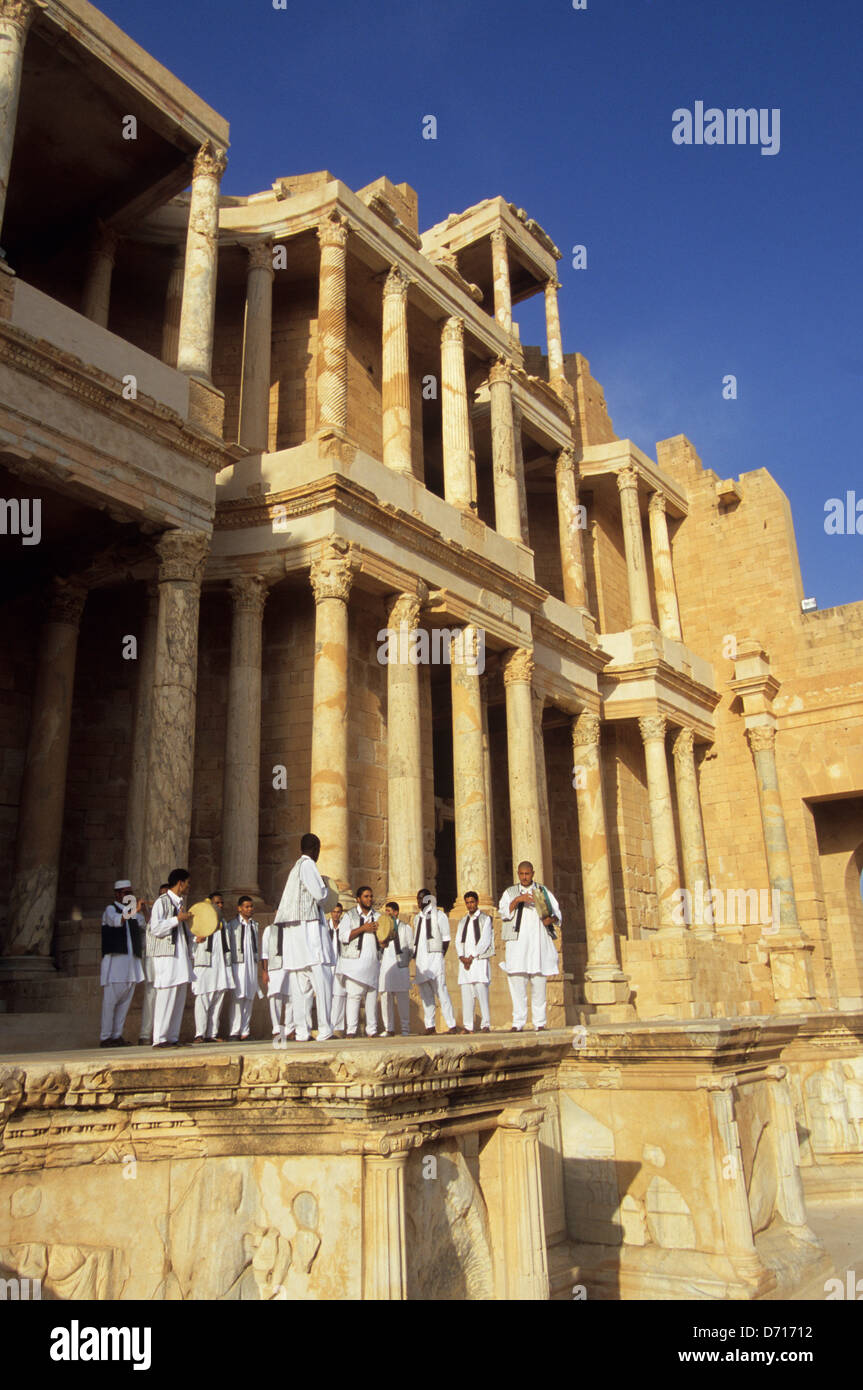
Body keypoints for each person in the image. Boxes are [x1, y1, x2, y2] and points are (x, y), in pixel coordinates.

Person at [272, 833, 334, 1042]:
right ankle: (325, 1029)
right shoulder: (308, 866)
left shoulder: (294, 869)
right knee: (322, 980)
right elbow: (319, 894)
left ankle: (302, 1031)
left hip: (295, 935)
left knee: (300, 987)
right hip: (308, 932)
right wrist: (327, 892)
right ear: (315, 848)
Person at [498, 861, 561, 1032]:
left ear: (532, 873)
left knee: (539, 983)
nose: (524, 877)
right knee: (517, 983)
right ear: (518, 874)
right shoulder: (510, 892)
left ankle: (539, 1022)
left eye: (527, 874)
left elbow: (556, 913)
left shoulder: (542, 891)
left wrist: (551, 919)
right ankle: (518, 1022)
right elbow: (503, 912)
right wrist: (518, 900)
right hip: (518, 944)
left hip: (538, 943)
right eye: (521, 874)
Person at [148, 868, 194, 1047]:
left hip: (180, 957)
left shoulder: (180, 904)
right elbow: (156, 928)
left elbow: (183, 931)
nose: (189, 887)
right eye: (187, 883)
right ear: (180, 883)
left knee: (178, 997)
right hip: (167, 957)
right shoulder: (162, 902)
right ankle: (159, 1038)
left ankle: (172, 1037)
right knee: (165, 997)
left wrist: (194, 936)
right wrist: (176, 919)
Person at [99, 878, 145, 1047]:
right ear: (117, 894)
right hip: (115, 966)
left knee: (124, 1003)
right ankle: (105, 1037)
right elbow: (116, 921)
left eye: (130, 893)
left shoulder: (133, 914)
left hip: (131, 965)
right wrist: (133, 910)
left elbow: (143, 924)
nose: (128, 896)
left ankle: (117, 1035)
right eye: (126, 893)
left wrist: (144, 909)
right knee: (110, 1004)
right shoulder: (110, 910)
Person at [336, 886, 382, 1037]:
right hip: (354, 964)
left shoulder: (378, 916)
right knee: (354, 996)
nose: (369, 899)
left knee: (371, 998)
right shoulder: (349, 916)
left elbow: (384, 939)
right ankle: (351, 1030)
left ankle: (372, 1030)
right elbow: (343, 937)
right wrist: (363, 928)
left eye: (371, 896)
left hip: (373, 962)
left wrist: (384, 940)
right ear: (358, 899)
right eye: (366, 896)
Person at [412, 889, 457, 1035]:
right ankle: (430, 1025)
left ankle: (451, 1024)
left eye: (422, 899)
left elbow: (446, 938)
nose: (419, 902)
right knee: (425, 995)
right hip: (421, 960)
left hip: (435, 958)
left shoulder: (440, 915)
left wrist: (440, 955)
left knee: (441, 991)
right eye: (418, 899)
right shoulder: (417, 918)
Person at [190, 891, 233, 1044]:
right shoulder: (200, 920)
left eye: (222, 903)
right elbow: (190, 941)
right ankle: (199, 1034)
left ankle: (212, 1033)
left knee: (217, 998)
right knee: (203, 998)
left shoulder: (224, 923)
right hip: (204, 964)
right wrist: (196, 939)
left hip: (220, 965)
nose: (220, 905)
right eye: (217, 903)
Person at [454, 891, 494, 1033]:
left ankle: (485, 1024)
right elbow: (458, 940)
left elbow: (485, 940)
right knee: (466, 995)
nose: (470, 905)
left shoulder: (485, 919)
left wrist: (472, 956)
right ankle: (468, 1025)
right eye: (468, 902)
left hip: (478, 961)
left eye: (472, 902)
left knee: (482, 993)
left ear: (477, 902)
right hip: (465, 963)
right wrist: (461, 956)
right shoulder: (463, 920)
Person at [226, 895, 260, 1040]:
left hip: (251, 963)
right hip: (238, 963)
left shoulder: (255, 925)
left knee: (249, 997)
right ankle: (234, 1031)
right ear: (239, 908)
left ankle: (245, 1031)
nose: (249, 909)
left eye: (251, 906)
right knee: (238, 997)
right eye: (246, 906)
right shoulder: (232, 925)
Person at [138, 882, 168, 1046]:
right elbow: (152, 924)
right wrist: (143, 909)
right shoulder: (148, 916)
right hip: (153, 962)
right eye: (161, 894)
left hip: (167, 963)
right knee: (151, 999)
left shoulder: (172, 914)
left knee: (165, 1000)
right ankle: (145, 1034)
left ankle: (161, 1034)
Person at [378, 900, 413, 1037]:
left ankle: (405, 1028)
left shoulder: (405, 928)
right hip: (386, 965)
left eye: (389, 911)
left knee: (403, 997)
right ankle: (389, 1028)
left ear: (396, 912)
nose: (387, 913)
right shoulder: (382, 927)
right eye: (386, 911)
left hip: (400, 965)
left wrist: (405, 961)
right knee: (386, 996)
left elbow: (410, 947)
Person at [328, 902, 347, 1037]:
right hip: (327, 965)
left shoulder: (344, 928)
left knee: (340, 994)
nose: (336, 914)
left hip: (341, 963)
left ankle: (338, 1027)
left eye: (338, 912)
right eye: (334, 912)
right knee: (327, 995)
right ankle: (327, 1026)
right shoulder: (324, 927)